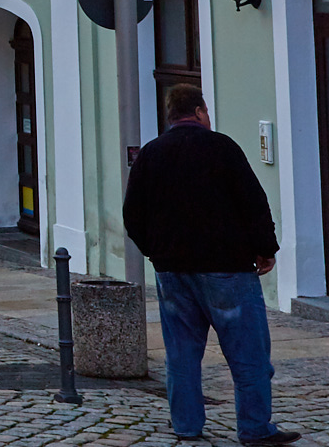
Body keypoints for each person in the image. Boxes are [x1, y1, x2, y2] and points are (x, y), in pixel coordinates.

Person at [123, 83, 297, 446]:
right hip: (226, 268)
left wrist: (156, 252)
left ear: (170, 116)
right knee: (248, 355)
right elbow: (253, 202)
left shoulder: (151, 154)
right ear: (200, 111)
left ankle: (186, 425)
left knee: (182, 354)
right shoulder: (221, 148)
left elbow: (132, 215)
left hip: (172, 271)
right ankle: (254, 428)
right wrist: (266, 248)